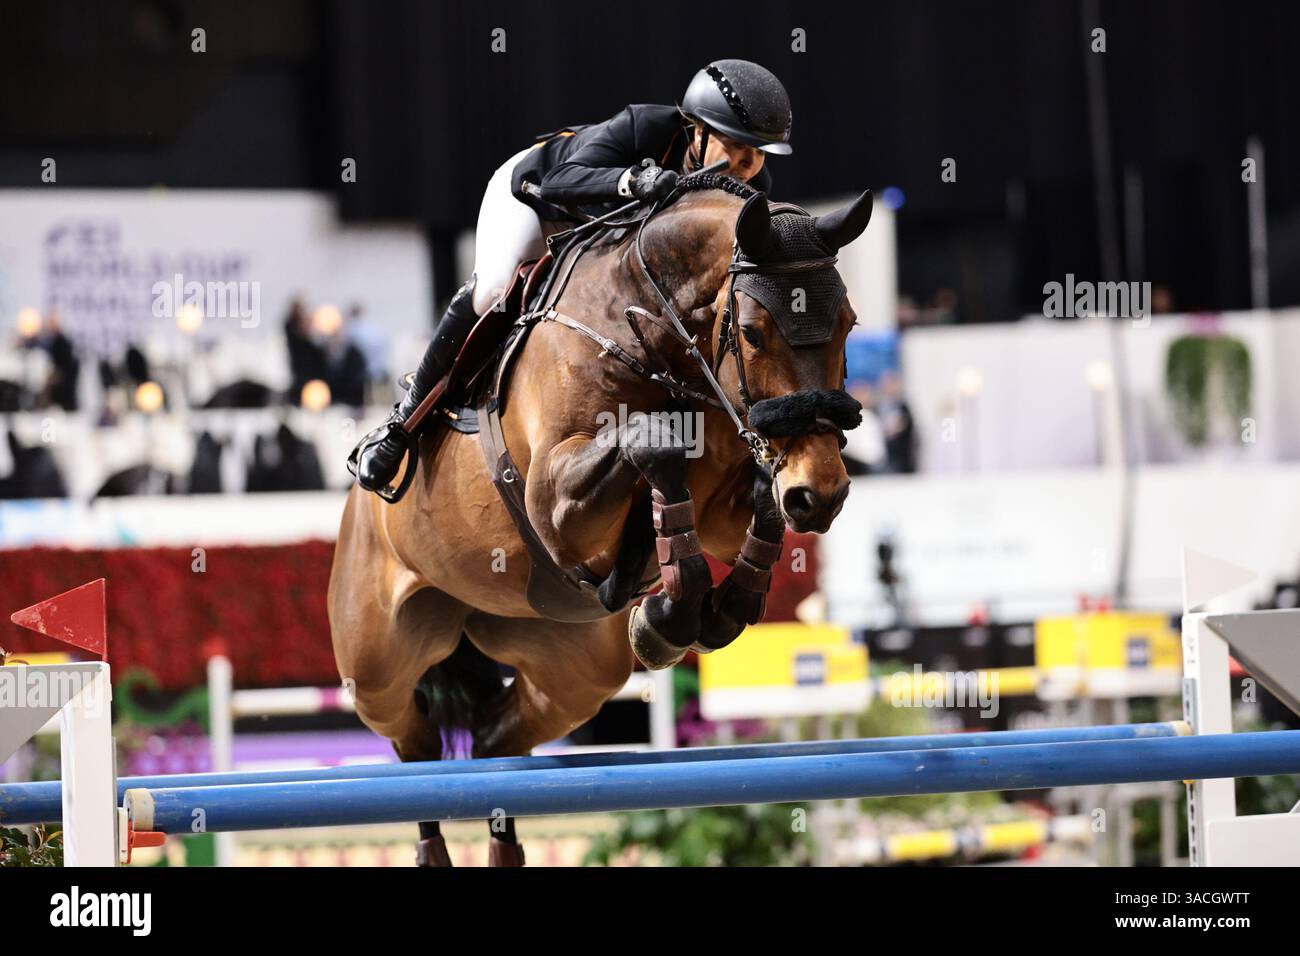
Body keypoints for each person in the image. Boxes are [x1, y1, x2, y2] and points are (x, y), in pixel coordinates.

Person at [353, 59, 795, 497]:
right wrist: (633, 180)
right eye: (735, 146)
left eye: (756, 154)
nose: (744, 163)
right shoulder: (643, 127)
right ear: (696, 129)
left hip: (605, 244)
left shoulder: (750, 188)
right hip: (540, 200)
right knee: (493, 291)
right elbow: (561, 181)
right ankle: (402, 425)